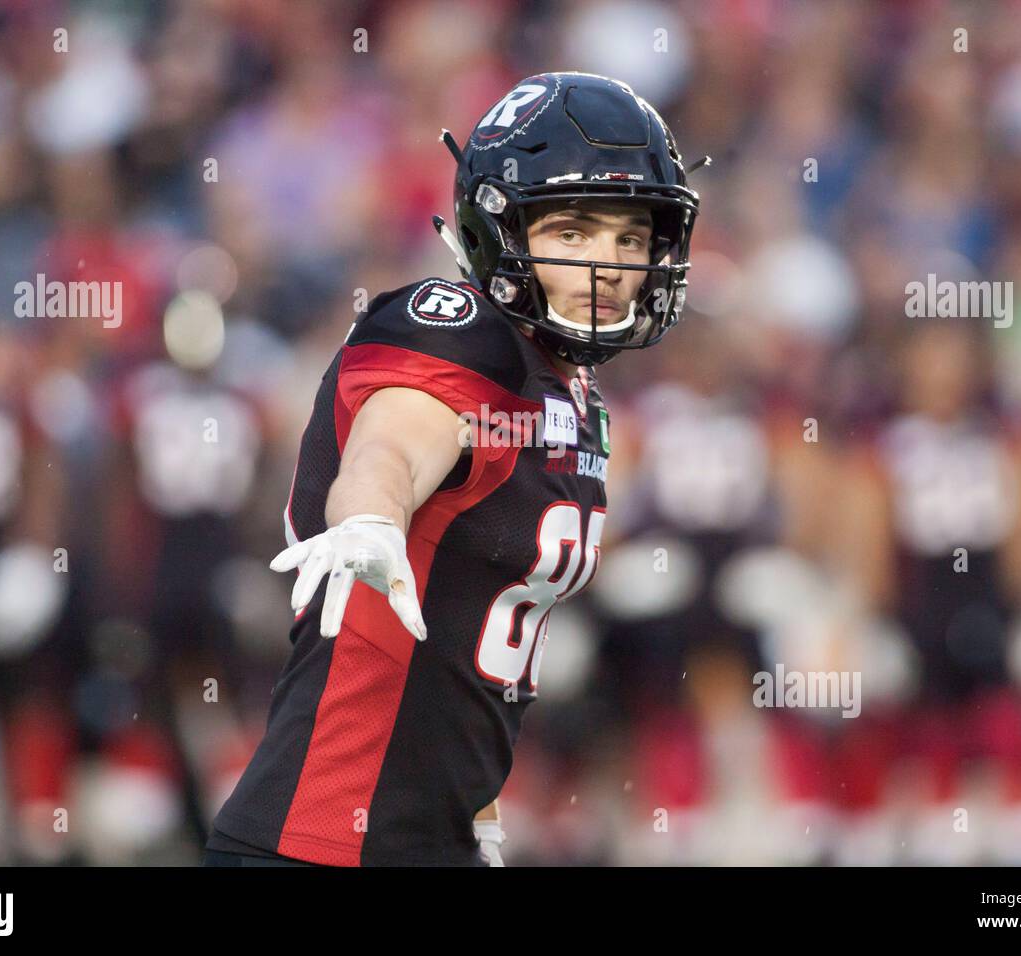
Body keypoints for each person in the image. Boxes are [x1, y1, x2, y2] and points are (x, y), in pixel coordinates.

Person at [204, 72, 702, 866]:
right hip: (320, 844)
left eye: (631, 238)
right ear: (499, 226)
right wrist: (370, 515)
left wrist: (476, 808)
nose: (609, 264)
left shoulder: (572, 391)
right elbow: (393, 445)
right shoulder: (457, 329)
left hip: (429, 839)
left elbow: (462, 646)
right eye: (573, 231)